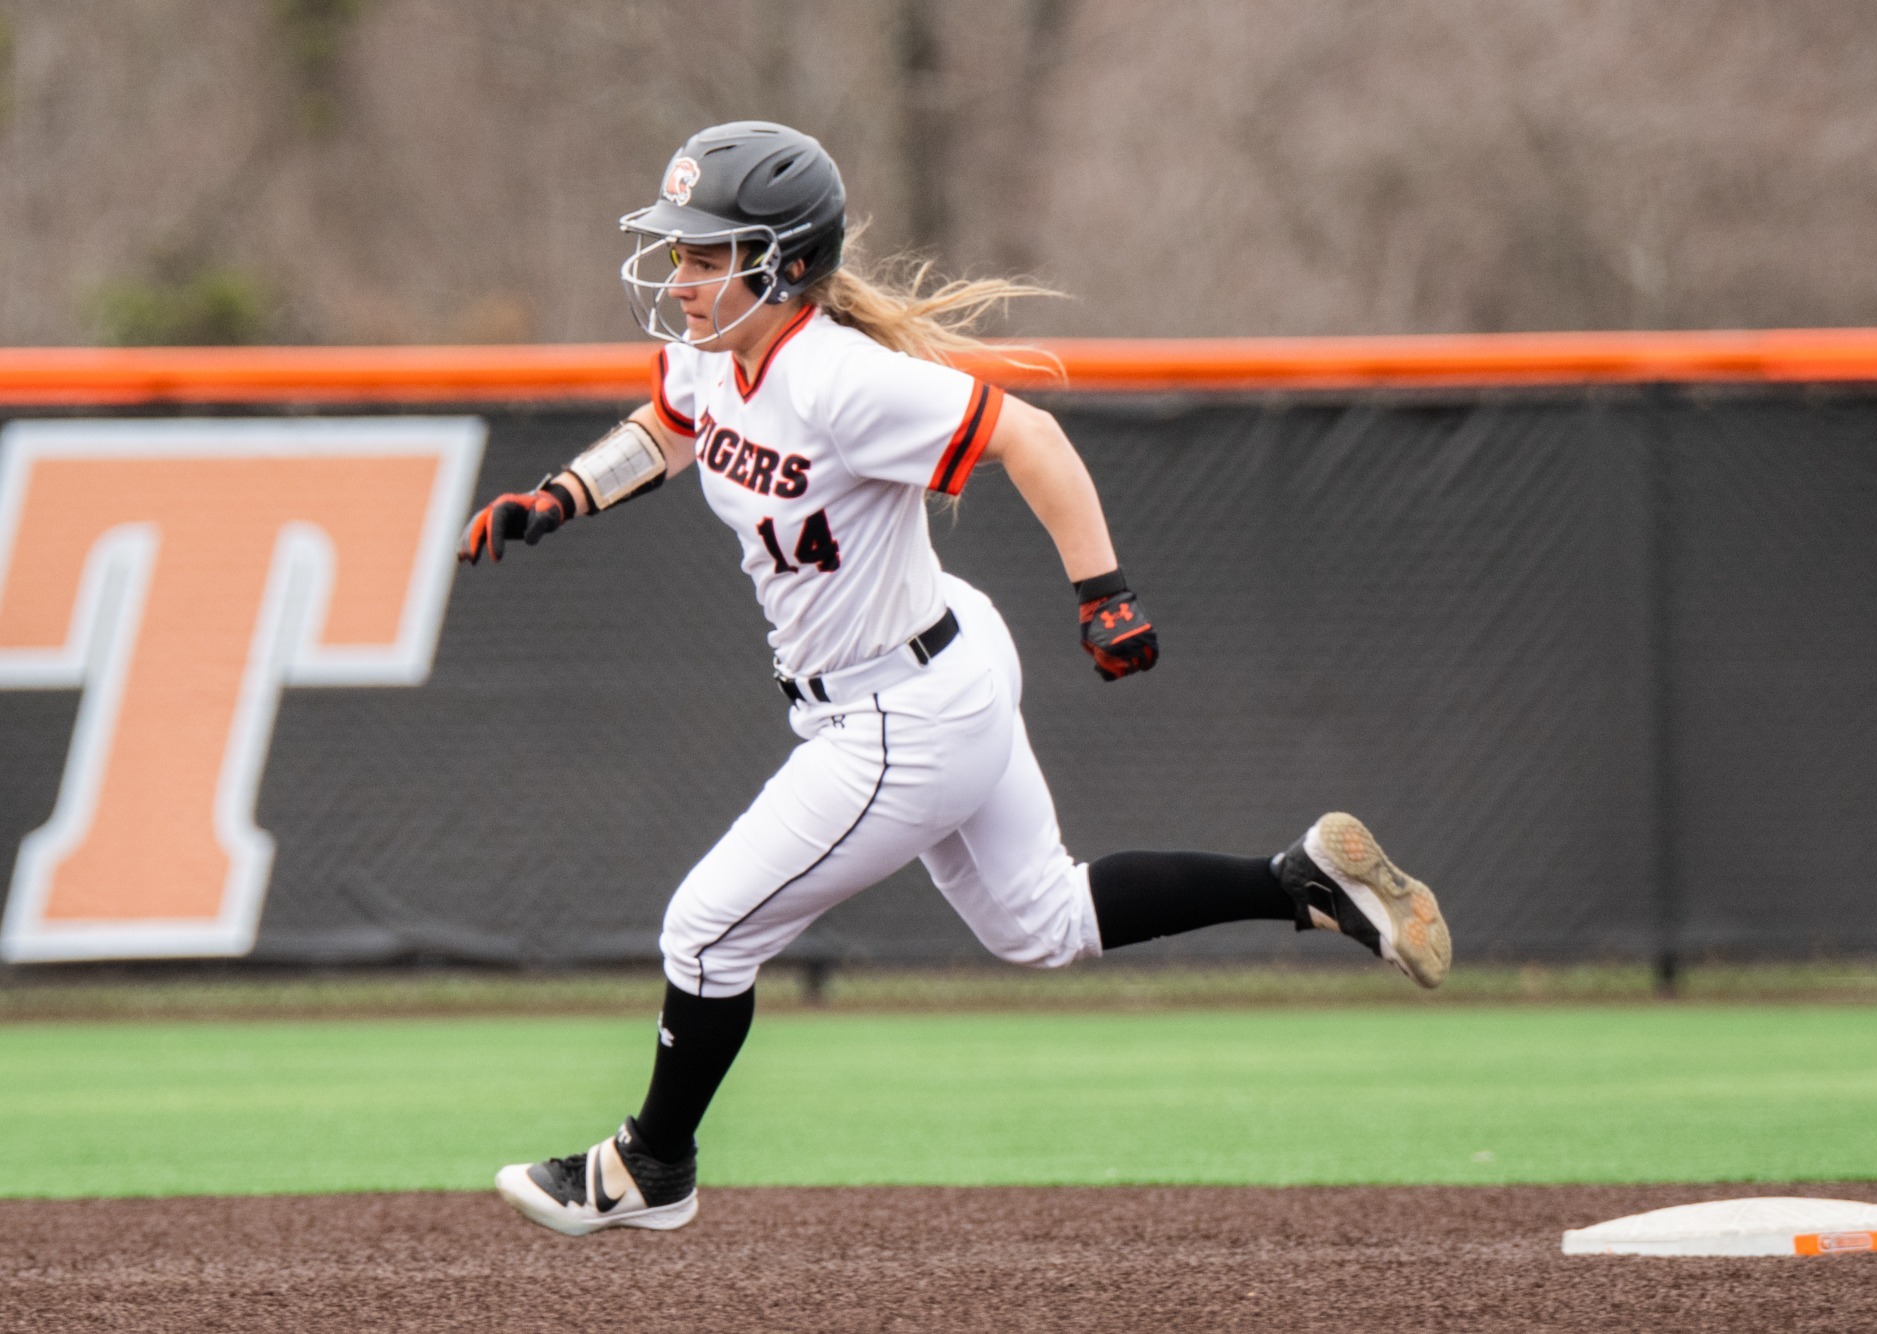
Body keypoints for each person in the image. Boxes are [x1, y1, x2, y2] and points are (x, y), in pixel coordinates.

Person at [458, 121, 1451, 1237]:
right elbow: (671, 425)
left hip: (897, 715)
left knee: (703, 930)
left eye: (706, 252)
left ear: (780, 262)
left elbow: (1027, 437)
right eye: (680, 249)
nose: (680, 274)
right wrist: (560, 495)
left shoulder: (838, 379)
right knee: (1041, 922)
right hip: (933, 667)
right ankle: (1302, 882)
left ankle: (650, 1163)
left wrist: (1103, 592)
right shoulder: (714, 353)